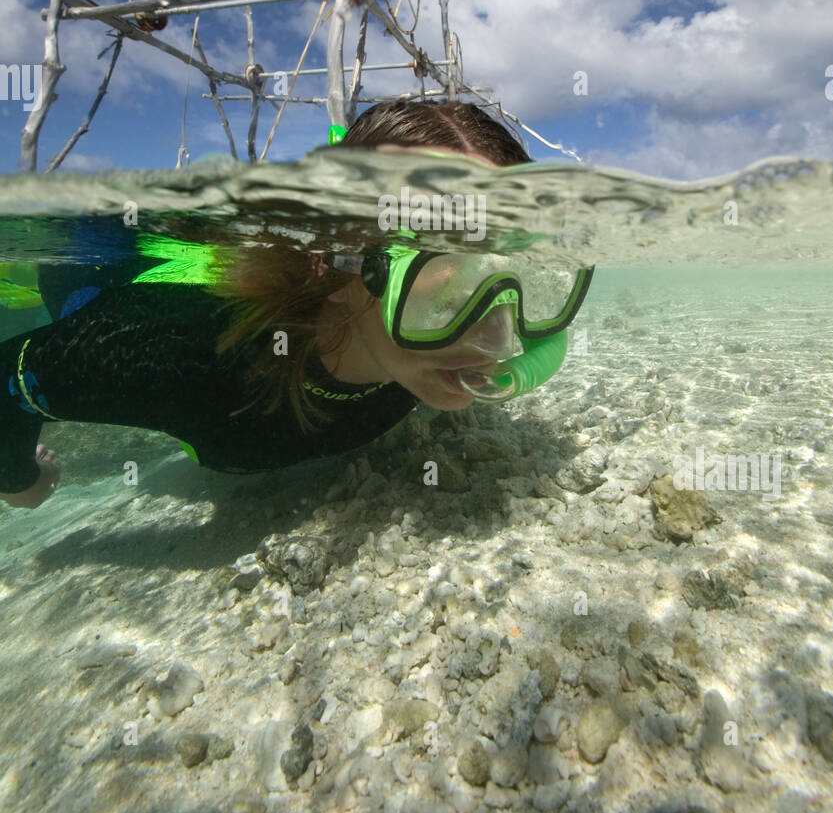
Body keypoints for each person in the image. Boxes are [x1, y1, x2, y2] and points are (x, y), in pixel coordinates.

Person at [0, 101, 593, 510]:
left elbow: (522, 337)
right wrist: (21, 483)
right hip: (110, 279)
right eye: (450, 289)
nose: (501, 341)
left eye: (515, 274)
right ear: (338, 266)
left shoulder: (437, 350)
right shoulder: (192, 359)